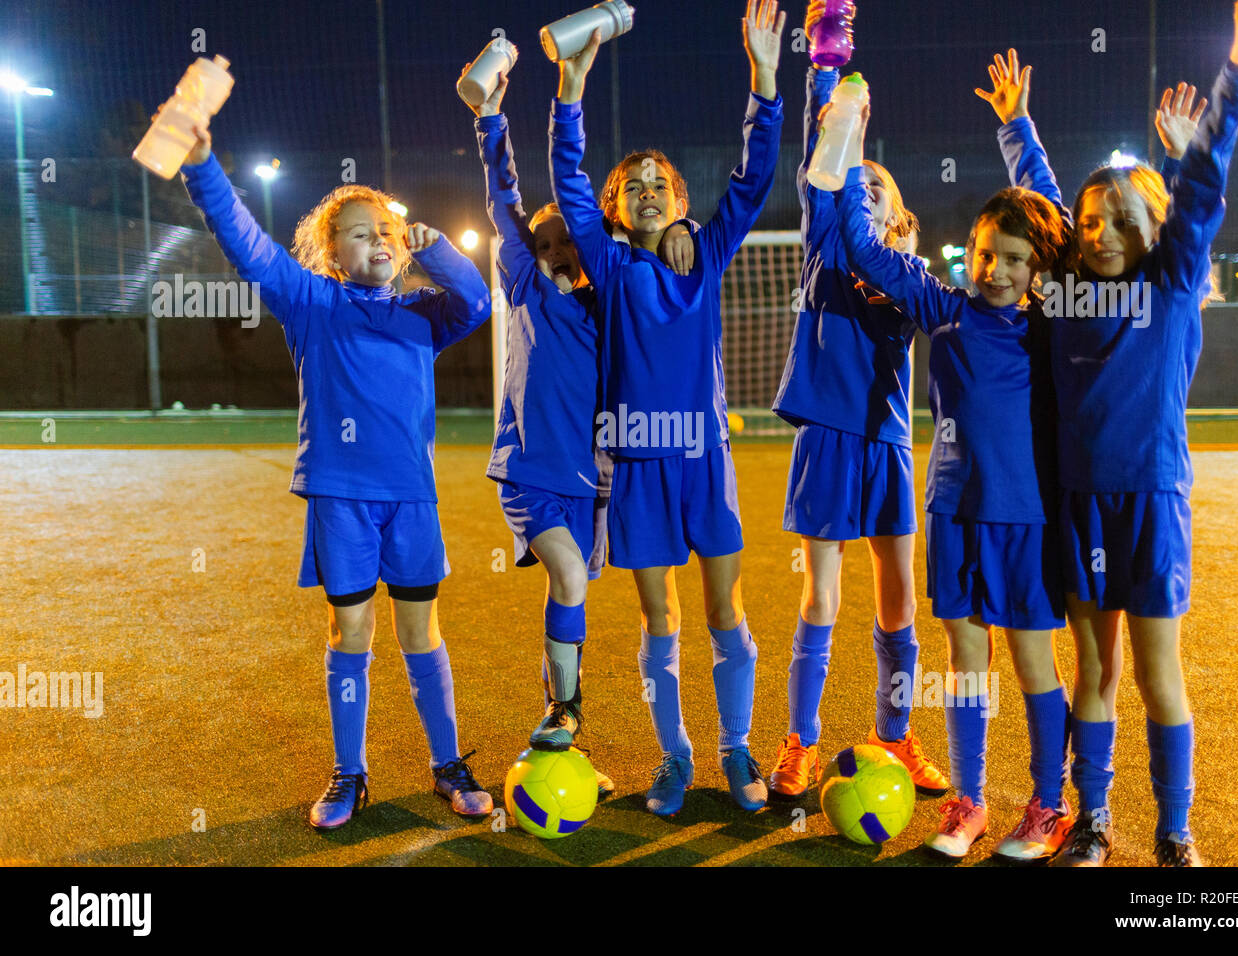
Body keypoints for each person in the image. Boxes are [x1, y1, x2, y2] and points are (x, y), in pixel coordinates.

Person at [985, 0, 1238, 868]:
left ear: (1156, 230)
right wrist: (1018, 128)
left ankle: (1174, 830)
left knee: (1158, 677)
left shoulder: (1174, 281)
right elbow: (1043, 199)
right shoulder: (1066, 291)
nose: (1102, 229)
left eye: (1123, 218)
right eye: (1092, 219)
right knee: (1096, 676)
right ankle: (1097, 818)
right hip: (1079, 507)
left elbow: (1205, 181)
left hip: (1151, 503)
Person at [177, 109, 493, 830]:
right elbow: (250, 247)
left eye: (385, 228)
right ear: (330, 254)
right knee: (351, 634)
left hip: (410, 500)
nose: (377, 238)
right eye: (359, 231)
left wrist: (436, 245)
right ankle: (350, 773)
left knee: (422, 635)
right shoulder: (311, 302)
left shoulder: (423, 311)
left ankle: (447, 764)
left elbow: (476, 300)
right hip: (340, 498)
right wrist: (203, 166)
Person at [549, 0, 786, 816]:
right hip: (639, 467)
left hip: (704, 462)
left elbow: (756, 181)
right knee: (661, 615)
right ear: (617, 210)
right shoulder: (611, 270)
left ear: (681, 202)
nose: (647, 192)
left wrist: (764, 78)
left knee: (726, 607)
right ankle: (676, 756)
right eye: (634, 187)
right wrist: (570, 90)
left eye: (662, 185)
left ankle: (736, 749)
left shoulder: (704, 256)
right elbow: (569, 185)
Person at [835, 83, 1075, 860]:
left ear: (1037, 267)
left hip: (1028, 518)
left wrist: (1017, 128)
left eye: (1013, 259)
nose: (996, 270)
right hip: (954, 513)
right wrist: (841, 147)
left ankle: (1048, 802)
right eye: (984, 255)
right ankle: (968, 801)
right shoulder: (945, 308)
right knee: (965, 661)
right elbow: (867, 251)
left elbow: (1056, 221)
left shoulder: (1048, 323)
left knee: (1033, 660)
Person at [464, 62, 690, 783]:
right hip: (530, 475)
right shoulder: (527, 286)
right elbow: (503, 199)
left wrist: (678, 226)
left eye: (569, 242)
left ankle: (560, 712)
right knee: (567, 575)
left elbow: (653, 262)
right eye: (546, 241)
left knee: (574, 586)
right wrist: (491, 119)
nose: (559, 251)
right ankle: (567, 707)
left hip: (593, 482)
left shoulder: (609, 303)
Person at [769, 0, 948, 802]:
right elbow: (832, 160)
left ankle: (896, 733)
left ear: (901, 219)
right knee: (821, 594)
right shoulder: (827, 242)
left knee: (899, 595)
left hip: (886, 444)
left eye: (879, 191)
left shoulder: (903, 276)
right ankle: (799, 741)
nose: (863, 192)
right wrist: (830, 66)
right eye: (857, 186)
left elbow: (869, 215)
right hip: (827, 440)